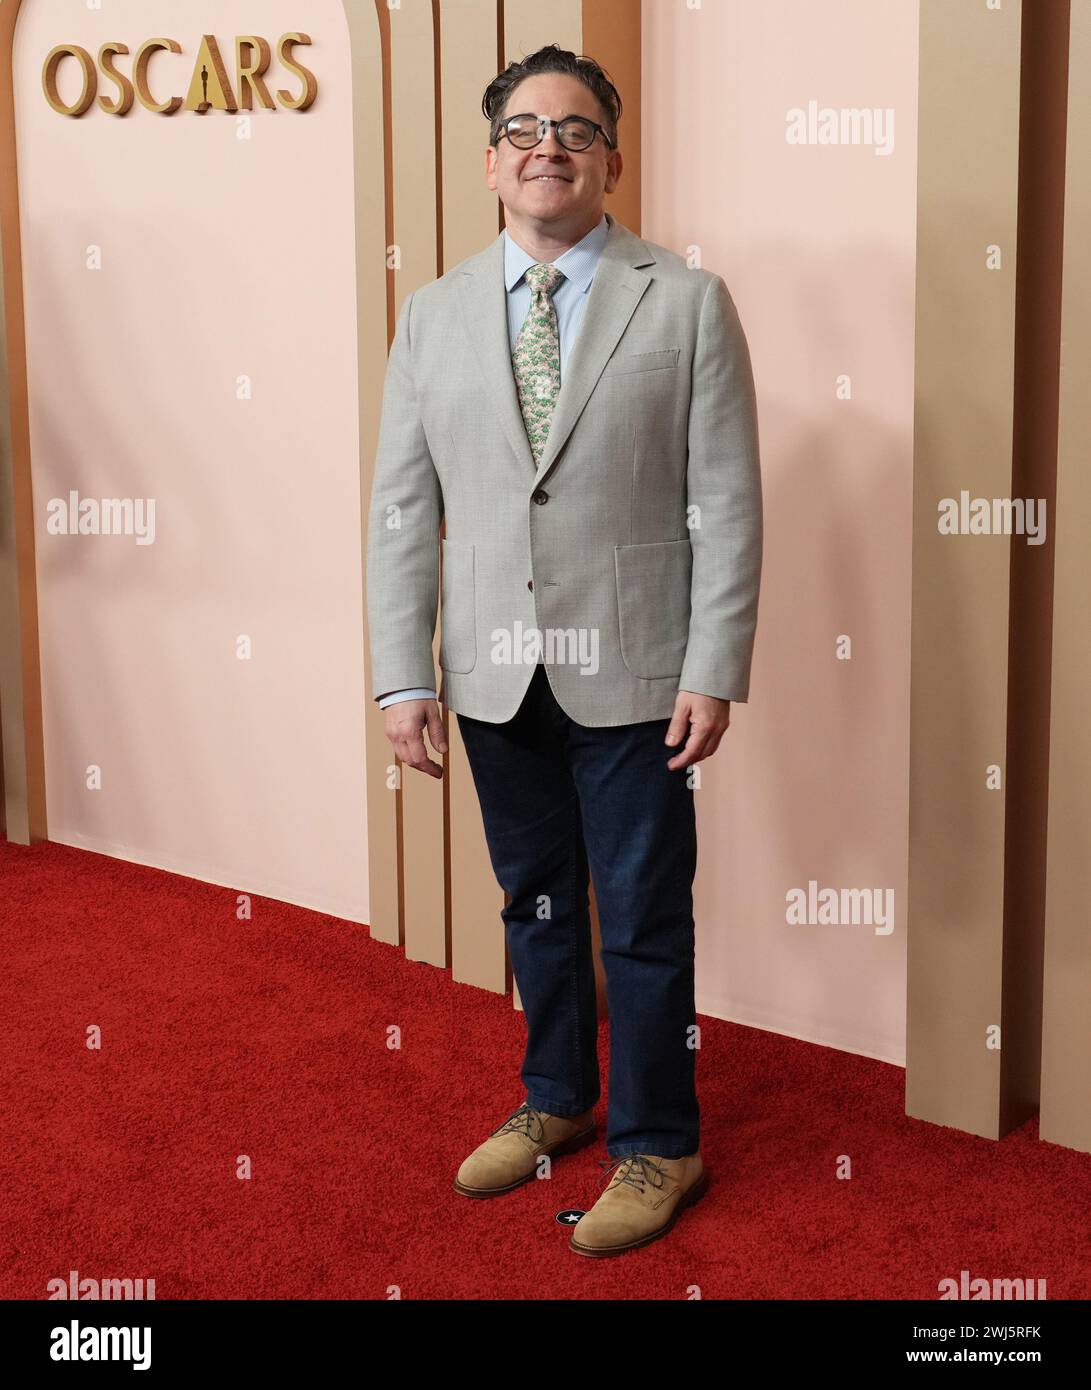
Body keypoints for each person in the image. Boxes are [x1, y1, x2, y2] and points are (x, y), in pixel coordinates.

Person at [366, 43, 762, 1258]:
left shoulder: (683, 299)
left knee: (640, 915)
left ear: (610, 159)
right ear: (491, 161)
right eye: (526, 128)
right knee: (533, 904)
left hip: (640, 671)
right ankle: (554, 1100)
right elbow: (400, 506)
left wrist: (712, 665)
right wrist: (402, 671)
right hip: (489, 671)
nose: (550, 146)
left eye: (577, 129)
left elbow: (728, 501)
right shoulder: (430, 315)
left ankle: (658, 1143)